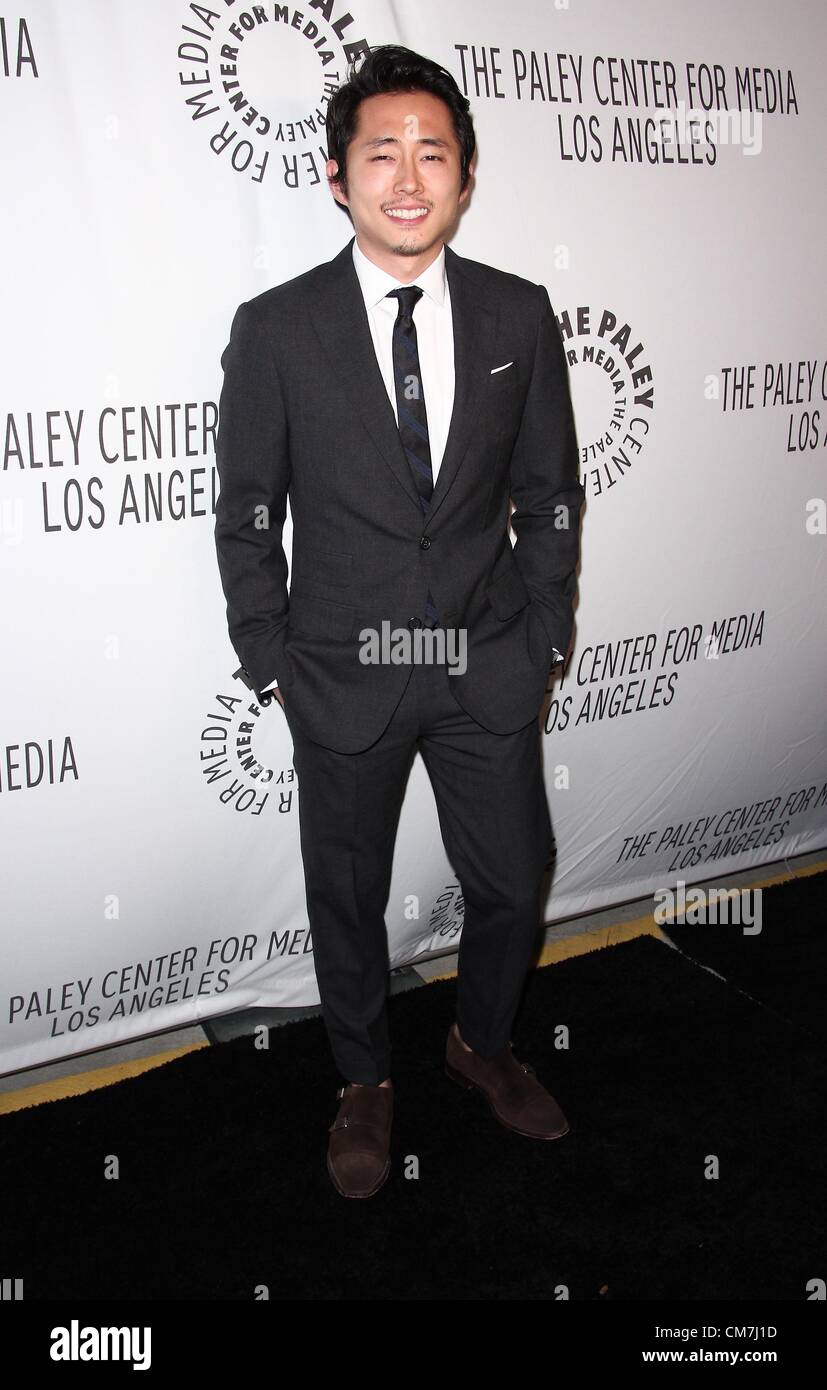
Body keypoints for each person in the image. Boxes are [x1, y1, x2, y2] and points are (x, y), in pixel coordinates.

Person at [214, 44, 585, 1199]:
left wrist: (543, 637)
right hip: (343, 671)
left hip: (482, 662)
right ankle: (363, 1080)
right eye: (382, 153)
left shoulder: (518, 313)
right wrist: (272, 662)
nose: (408, 177)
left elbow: (549, 496)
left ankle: (478, 1042)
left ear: (465, 176)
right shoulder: (276, 328)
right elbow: (246, 513)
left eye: (433, 153)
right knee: (345, 896)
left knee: (517, 880)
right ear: (337, 176)